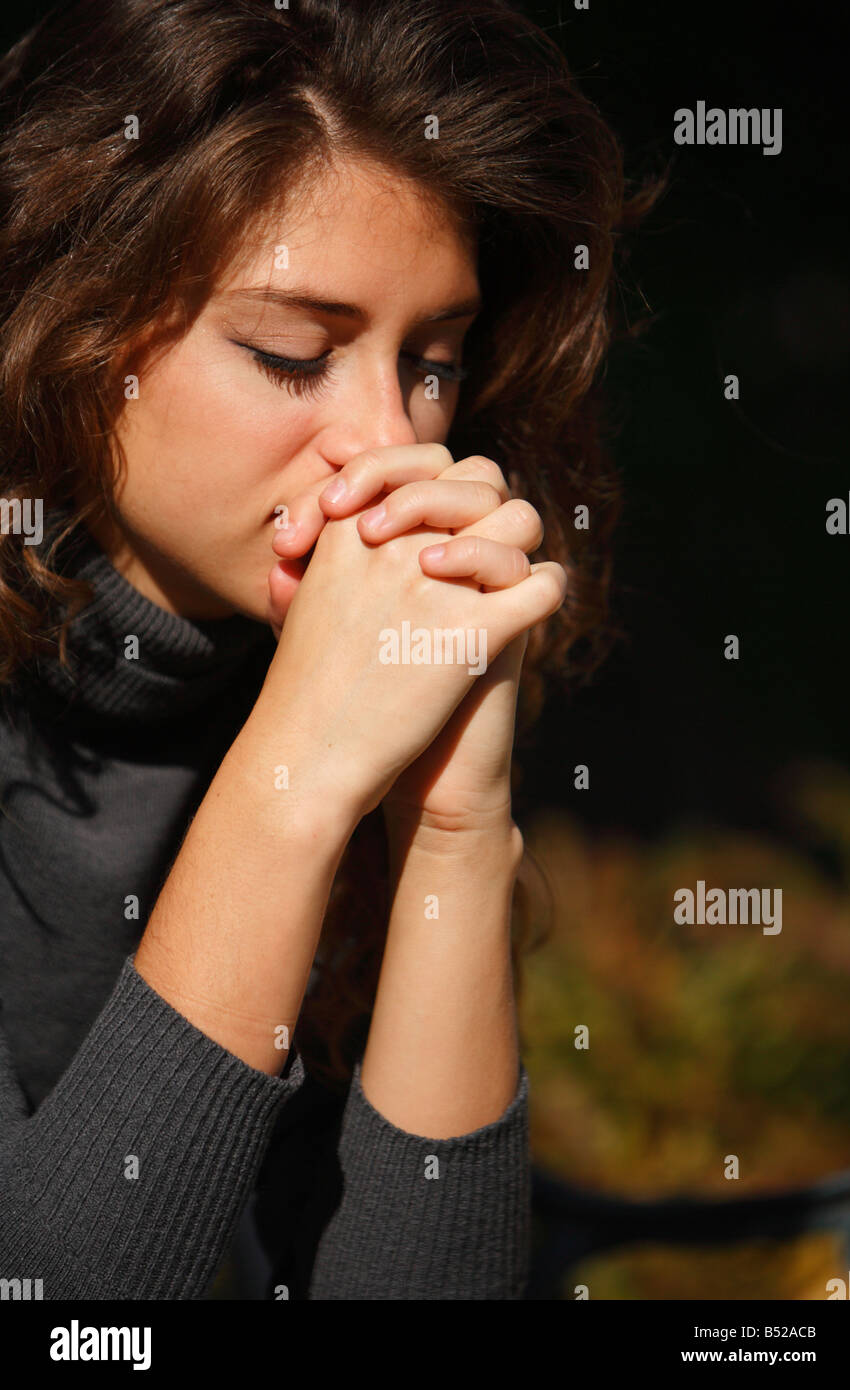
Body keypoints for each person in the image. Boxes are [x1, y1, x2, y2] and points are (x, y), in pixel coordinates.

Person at [0, 0, 638, 1299]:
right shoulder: (304, 718)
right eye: (293, 354)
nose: (386, 440)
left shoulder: (352, 674)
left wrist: (451, 831)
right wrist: (290, 781)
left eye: (432, 362)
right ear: (68, 320)